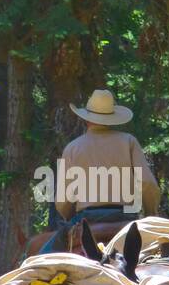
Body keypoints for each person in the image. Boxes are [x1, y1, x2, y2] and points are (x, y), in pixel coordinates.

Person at [54, 87, 160, 223]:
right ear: (111, 118)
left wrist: (69, 217)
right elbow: (147, 183)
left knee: (50, 244)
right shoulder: (128, 141)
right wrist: (150, 212)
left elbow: (63, 201)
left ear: (86, 119)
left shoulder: (72, 148)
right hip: (124, 216)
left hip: (86, 218)